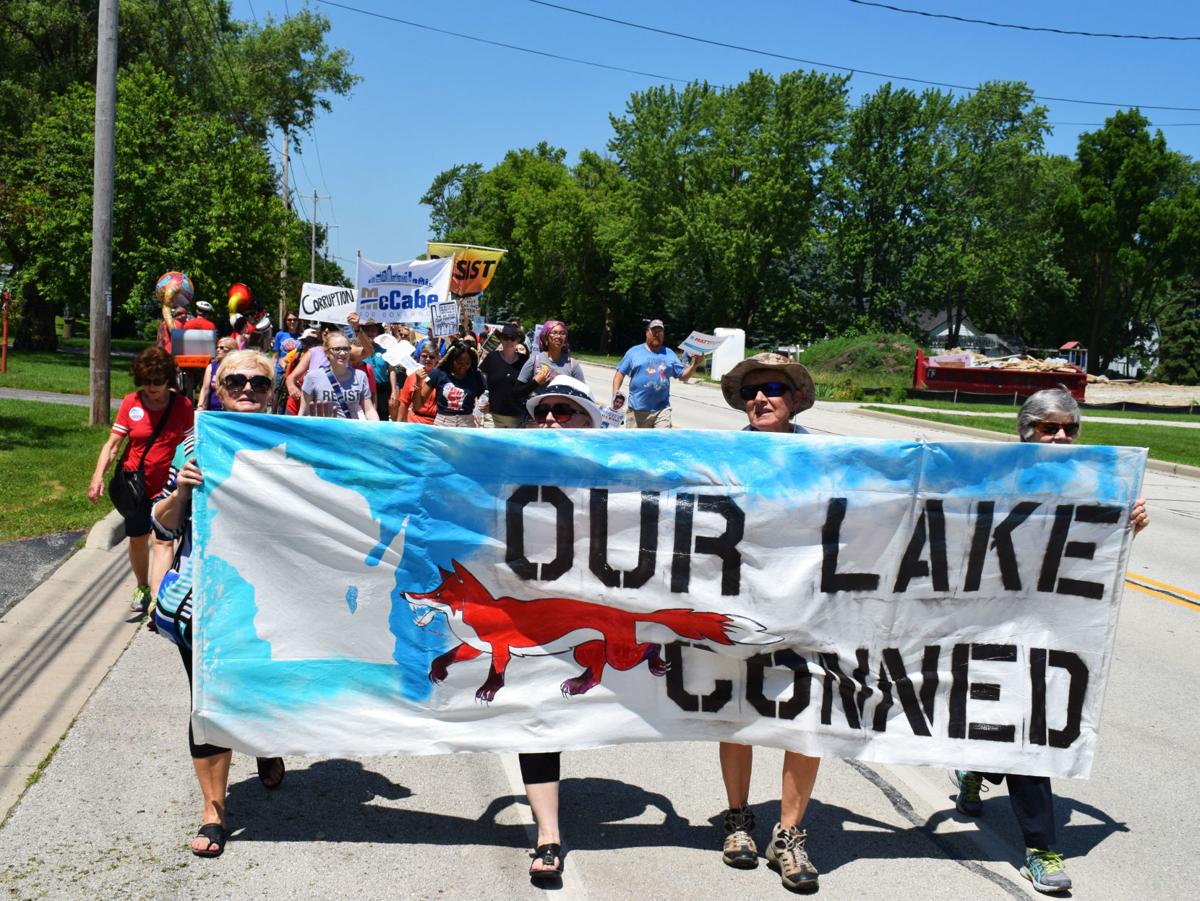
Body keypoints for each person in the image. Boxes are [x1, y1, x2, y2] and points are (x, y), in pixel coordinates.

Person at [953, 386, 1148, 895]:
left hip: (1047, 627)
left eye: (1069, 428)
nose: (1061, 436)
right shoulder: (997, 478)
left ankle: (1032, 839)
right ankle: (987, 784)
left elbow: (1092, 550)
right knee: (1006, 717)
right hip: (990, 621)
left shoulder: (1095, 484)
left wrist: (1126, 526)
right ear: (1026, 432)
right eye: (1049, 427)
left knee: (1028, 723)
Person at [151, 349, 286, 858]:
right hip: (208, 598)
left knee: (264, 685)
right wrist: (182, 493)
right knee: (208, 700)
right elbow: (161, 523)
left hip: (277, 595)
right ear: (219, 391)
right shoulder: (195, 444)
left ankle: (266, 743)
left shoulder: (295, 442)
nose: (248, 389)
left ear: (274, 393)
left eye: (259, 382)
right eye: (236, 381)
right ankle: (214, 813)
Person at [715, 352, 821, 892]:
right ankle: (738, 820)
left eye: (773, 388)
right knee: (737, 713)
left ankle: (789, 835)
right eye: (751, 391)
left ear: (795, 398)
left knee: (810, 719)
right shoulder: (721, 457)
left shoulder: (825, 458)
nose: (761, 398)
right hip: (739, 605)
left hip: (808, 607)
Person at [517, 374, 605, 882]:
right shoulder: (509, 465)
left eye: (564, 411)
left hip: (600, 616)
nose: (550, 419)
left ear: (589, 420)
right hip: (540, 616)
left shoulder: (619, 472)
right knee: (536, 713)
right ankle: (547, 833)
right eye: (543, 412)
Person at [87, 347, 195, 610]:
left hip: (167, 486)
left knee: (162, 540)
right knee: (137, 537)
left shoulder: (182, 406)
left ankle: (159, 600)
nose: (151, 387)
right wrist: (97, 477)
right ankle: (142, 586)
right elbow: (113, 445)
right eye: (146, 381)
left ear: (168, 379)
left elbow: (192, 444)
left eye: (157, 381)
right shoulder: (131, 403)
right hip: (134, 485)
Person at [611, 319, 702, 429]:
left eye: (660, 332)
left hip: (662, 410)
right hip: (637, 411)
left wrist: (695, 364)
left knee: (662, 438)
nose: (657, 334)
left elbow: (683, 376)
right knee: (636, 440)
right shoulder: (634, 352)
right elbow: (620, 373)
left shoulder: (669, 354)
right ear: (647, 333)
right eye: (654, 331)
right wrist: (615, 395)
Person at [285, 313, 373, 415]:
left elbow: (368, 351)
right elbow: (291, 378)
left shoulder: (345, 351)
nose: (326, 331)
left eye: (331, 328)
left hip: (337, 414)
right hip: (304, 410)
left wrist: (357, 328)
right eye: (324, 327)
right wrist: (292, 387)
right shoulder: (313, 352)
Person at [299, 331, 379, 420]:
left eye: (346, 349)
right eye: (337, 349)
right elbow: (303, 412)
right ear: (327, 352)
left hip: (350, 428)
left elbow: (369, 410)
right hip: (323, 428)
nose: (342, 353)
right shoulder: (313, 377)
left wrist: (376, 426)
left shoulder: (360, 376)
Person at [413, 341, 486, 428]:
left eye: (467, 363)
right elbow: (417, 406)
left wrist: (486, 406)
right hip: (442, 425)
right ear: (451, 360)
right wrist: (418, 383)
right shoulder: (438, 373)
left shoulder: (477, 376)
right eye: (459, 363)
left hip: (467, 426)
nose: (463, 366)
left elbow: (485, 401)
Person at [516, 320, 584, 399]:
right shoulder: (534, 360)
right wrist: (535, 383)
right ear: (545, 338)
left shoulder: (572, 365)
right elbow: (517, 392)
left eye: (562, 333)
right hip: (538, 406)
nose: (558, 336)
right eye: (554, 333)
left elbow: (583, 394)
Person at [478, 323, 527, 427]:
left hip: (517, 417)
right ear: (501, 339)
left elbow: (528, 387)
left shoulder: (524, 361)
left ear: (518, 340)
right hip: (492, 416)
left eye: (512, 338)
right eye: (505, 338)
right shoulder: (491, 357)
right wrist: (483, 400)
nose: (509, 341)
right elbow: (481, 383)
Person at [394, 345, 439, 424]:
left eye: (432, 357)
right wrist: (398, 424)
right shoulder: (412, 377)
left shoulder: (442, 378)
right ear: (420, 357)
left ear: (437, 358)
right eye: (424, 356)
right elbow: (404, 403)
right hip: (414, 421)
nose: (428, 359)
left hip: (436, 423)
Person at [197, 338, 239, 411]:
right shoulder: (211, 367)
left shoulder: (238, 367)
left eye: (222, 347)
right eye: (217, 347)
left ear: (231, 350)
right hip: (214, 410)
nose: (218, 350)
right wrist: (200, 406)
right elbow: (205, 389)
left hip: (232, 410)